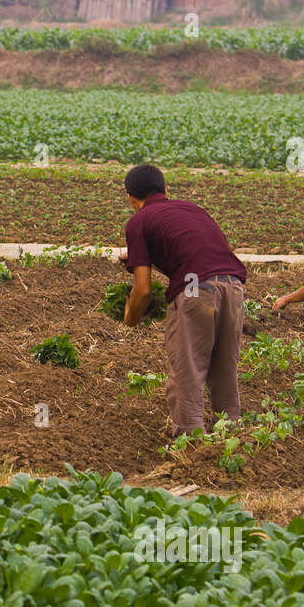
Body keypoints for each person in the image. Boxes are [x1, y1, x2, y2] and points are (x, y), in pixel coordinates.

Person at [122, 163, 246, 435]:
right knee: (225, 367)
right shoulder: (193, 209)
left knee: (188, 368)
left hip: (194, 288)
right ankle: (233, 434)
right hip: (233, 284)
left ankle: (191, 443)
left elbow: (142, 289)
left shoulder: (138, 221)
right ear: (166, 190)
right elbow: (196, 250)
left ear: (131, 198)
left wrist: (131, 317)